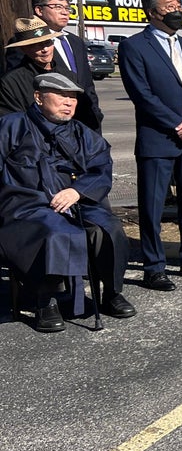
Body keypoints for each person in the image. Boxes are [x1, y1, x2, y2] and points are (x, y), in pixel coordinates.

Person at [0, 71, 136, 332]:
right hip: (27, 206)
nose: (69, 102)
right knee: (55, 232)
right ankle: (46, 300)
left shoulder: (82, 133)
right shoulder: (11, 126)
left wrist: (77, 191)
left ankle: (111, 293)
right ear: (38, 97)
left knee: (108, 228)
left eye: (73, 97)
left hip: (76, 202)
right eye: (61, 95)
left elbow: (100, 169)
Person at [118, 0, 182, 291]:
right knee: (152, 207)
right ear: (152, 12)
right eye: (170, 5)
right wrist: (178, 124)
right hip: (158, 139)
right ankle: (154, 266)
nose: (177, 10)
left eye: (179, 5)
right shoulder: (134, 47)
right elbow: (142, 95)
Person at [4, 0, 104, 131]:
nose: (65, 12)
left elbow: (87, 85)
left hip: (84, 125)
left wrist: (95, 115)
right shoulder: (23, 45)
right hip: (44, 127)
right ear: (39, 10)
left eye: (67, 7)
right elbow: (20, 88)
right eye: (57, 7)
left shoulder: (76, 41)